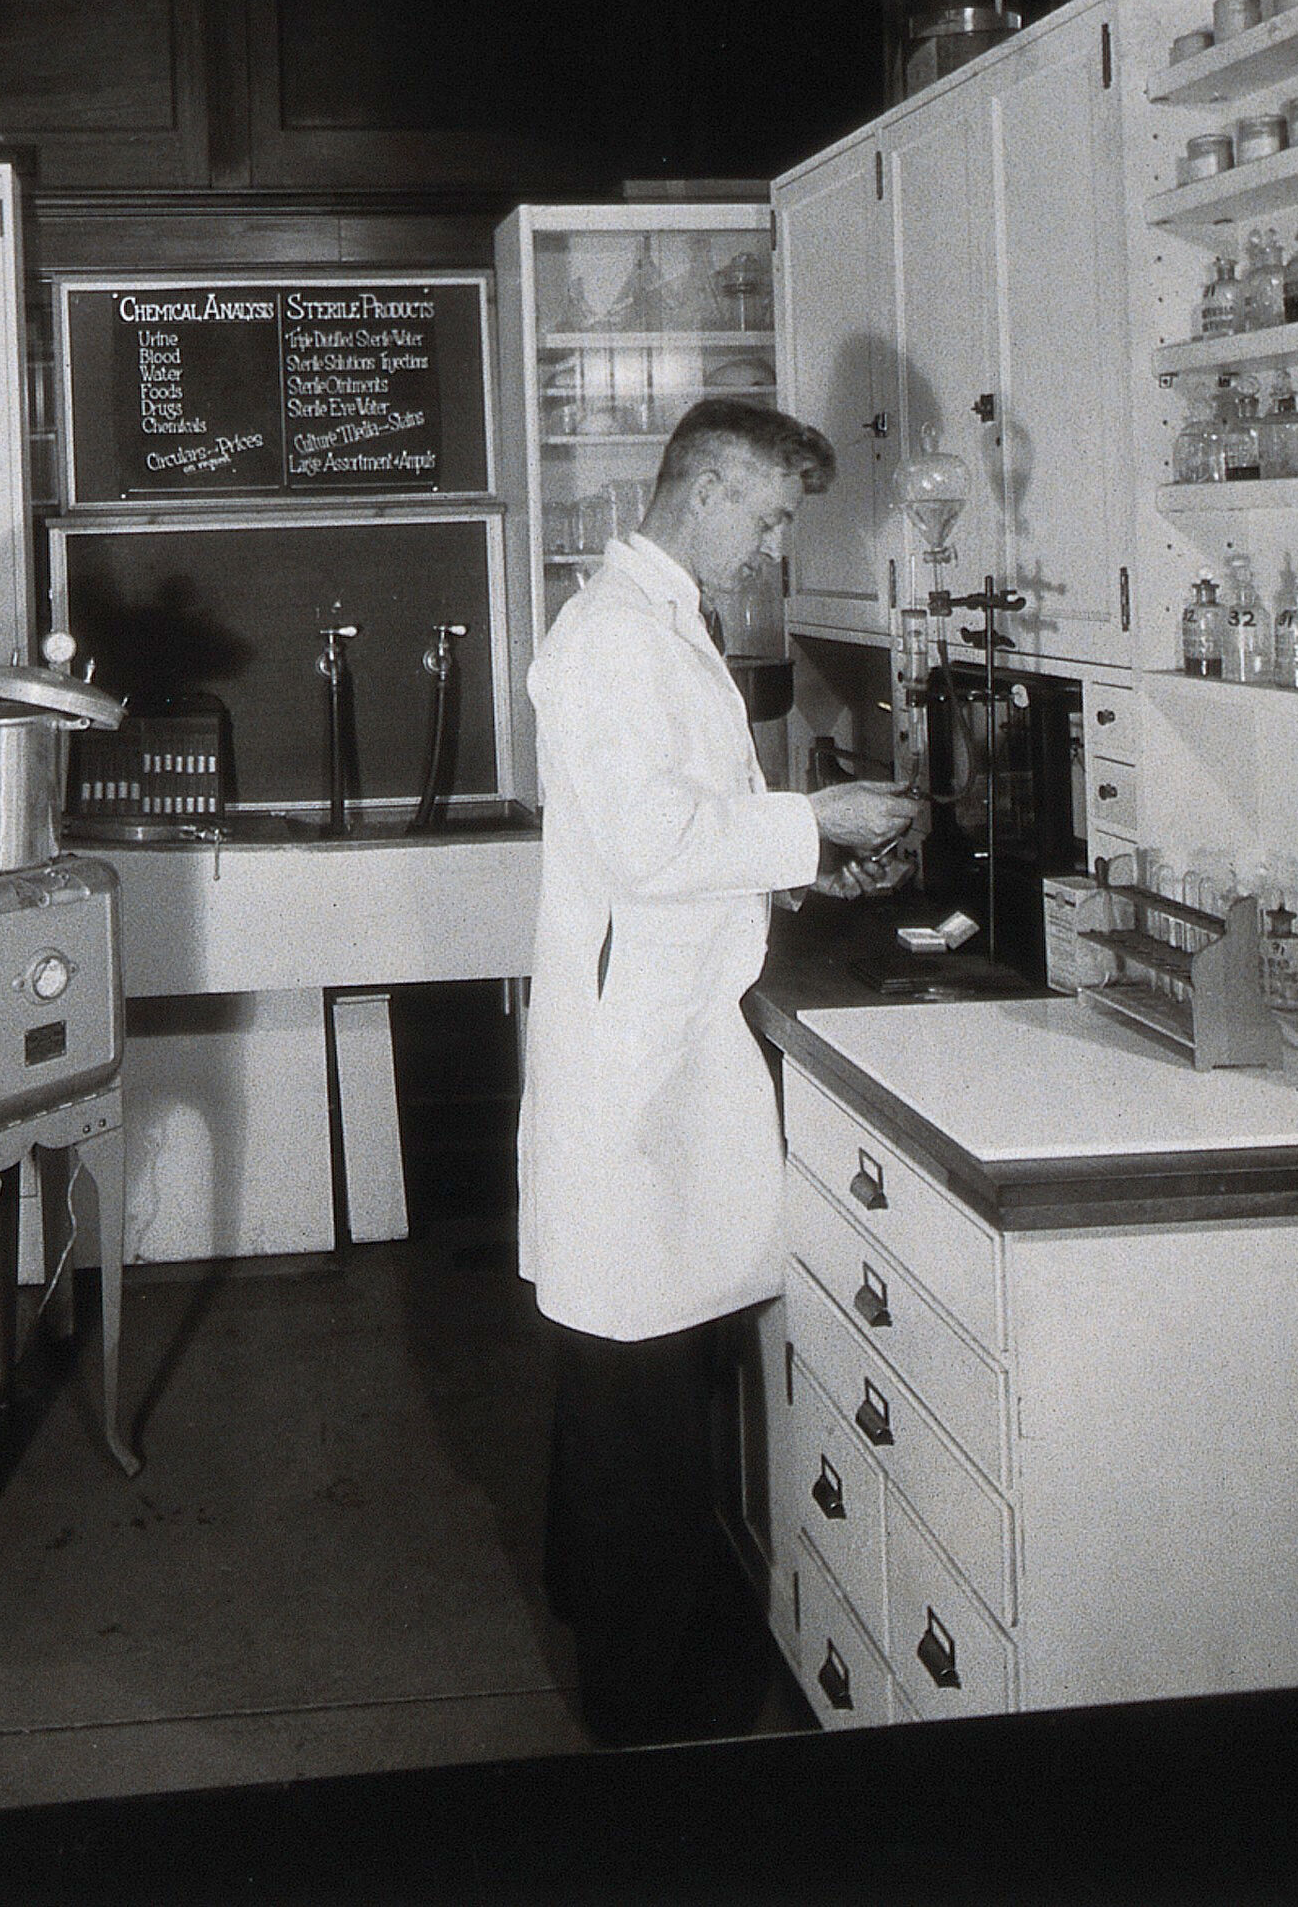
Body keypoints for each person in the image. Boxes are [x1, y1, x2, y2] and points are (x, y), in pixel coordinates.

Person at [520, 396, 918, 1745]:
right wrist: (813, 820)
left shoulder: (662, 622)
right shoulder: (606, 638)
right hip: (634, 1077)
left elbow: (686, 839)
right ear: (703, 486)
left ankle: (615, 1634)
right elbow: (645, 840)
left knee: (634, 1386)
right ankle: (647, 1737)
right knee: (634, 1403)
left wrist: (800, 869)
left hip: (664, 1046)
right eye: (765, 514)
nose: (772, 544)